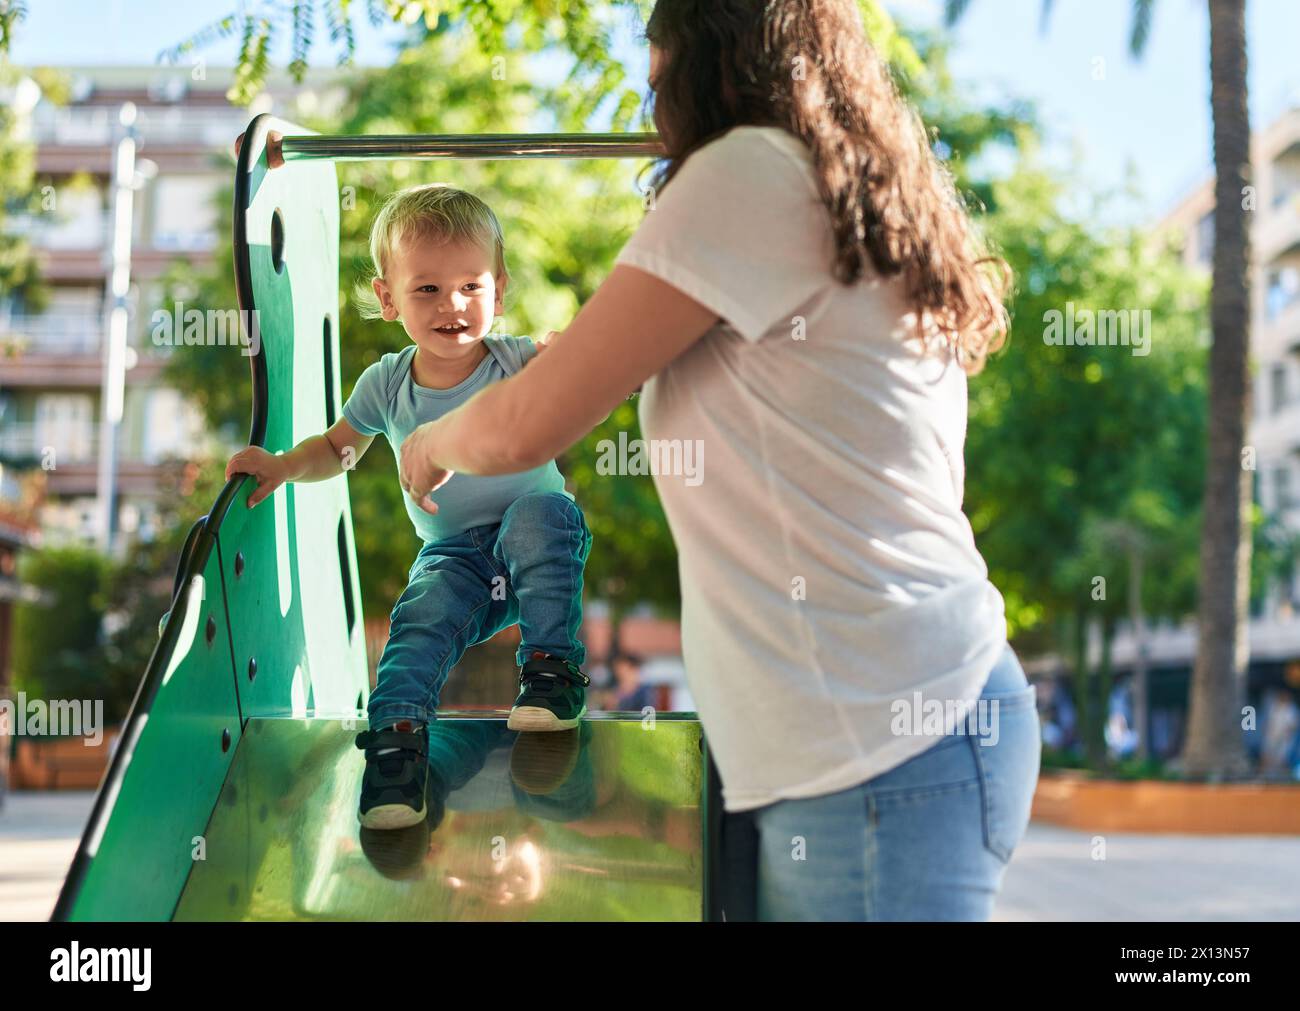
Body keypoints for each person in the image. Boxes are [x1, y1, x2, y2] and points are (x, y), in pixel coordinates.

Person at [247, 0, 1040, 921]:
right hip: (883, 728)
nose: (653, 112)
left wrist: (429, 439)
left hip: (880, 741)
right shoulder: (827, 188)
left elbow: (525, 422)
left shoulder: (750, 171)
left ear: (717, 68)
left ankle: (544, 677)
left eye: (660, 80)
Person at [224, 183, 593, 831]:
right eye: (426, 289)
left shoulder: (515, 361)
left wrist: (568, 354)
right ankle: (397, 753)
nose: (452, 304)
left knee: (541, 516)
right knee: (415, 621)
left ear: (498, 292)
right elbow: (339, 449)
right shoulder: (387, 383)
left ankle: (550, 673)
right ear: (389, 298)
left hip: (536, 549)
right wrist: (283, 466)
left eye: (471, 287)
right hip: (454, 557)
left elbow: (579, 376)